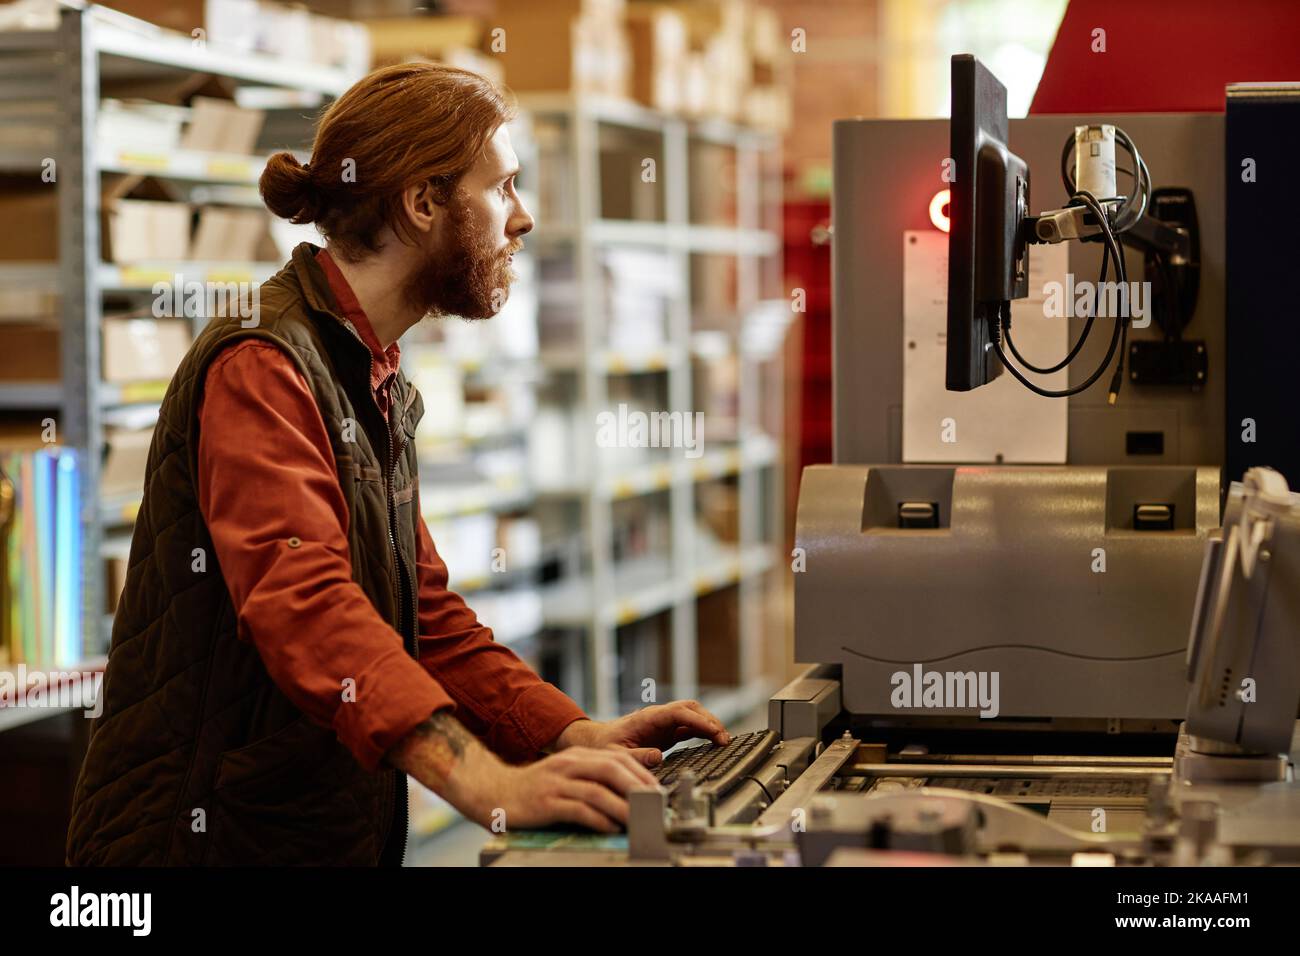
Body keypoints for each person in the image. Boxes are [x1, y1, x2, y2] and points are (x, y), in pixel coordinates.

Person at [66, 63, 729, 866]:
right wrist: (489, 785)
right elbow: (303, 602)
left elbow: (425, 616)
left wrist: (563, 732)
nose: (524, 218)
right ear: (422, 204)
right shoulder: (264, 364)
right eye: (505, 187)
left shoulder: (369, 371)